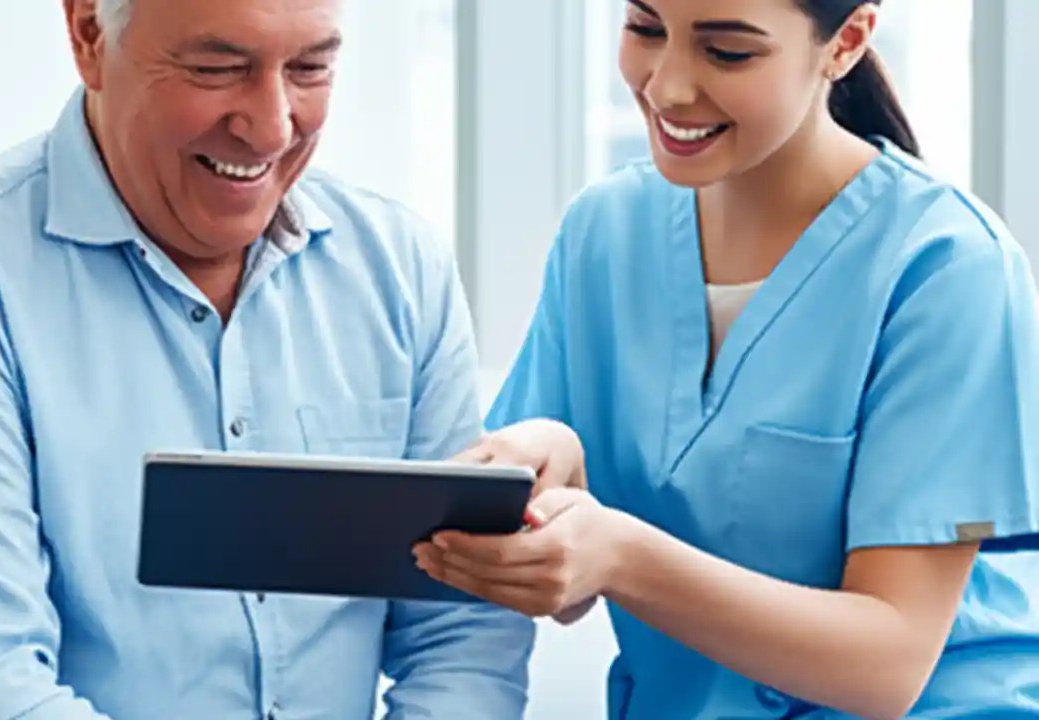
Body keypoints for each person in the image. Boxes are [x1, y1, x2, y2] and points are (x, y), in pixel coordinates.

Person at [0, 0, 535, 718]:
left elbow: (464, 634)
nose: (272, 125)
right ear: (88, 34)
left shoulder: (400, 269)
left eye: (311, 67)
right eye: (217, 68)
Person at [414, 0, 1039, 717]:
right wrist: (556, 469)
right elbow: (561, 591)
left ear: (846, 43)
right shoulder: (604, 234)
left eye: (728, 53)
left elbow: (886, 668)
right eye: (646, 29)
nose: (668, 86)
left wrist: (618, 552)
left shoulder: (948, 269)